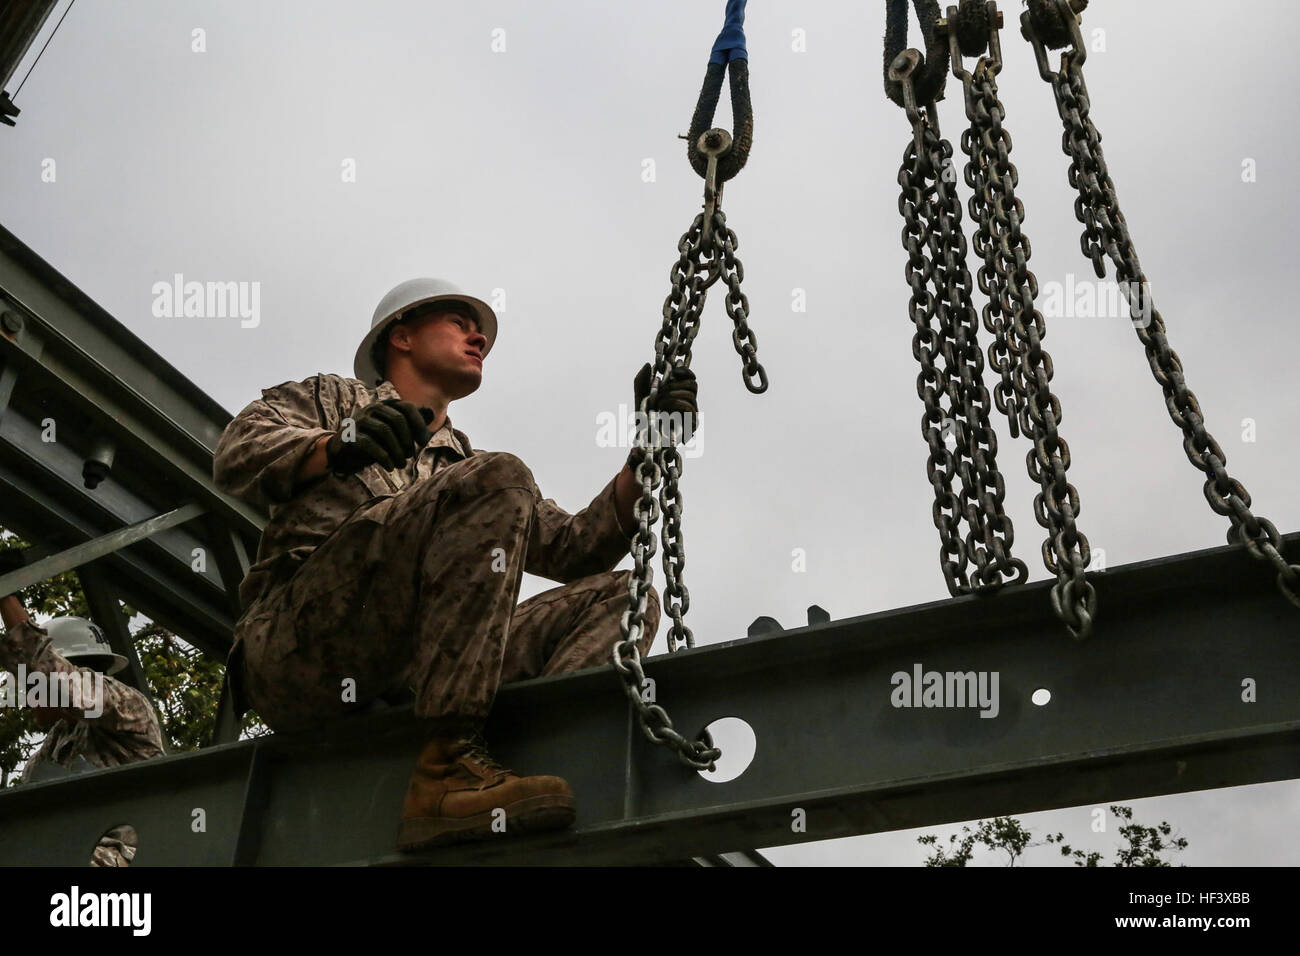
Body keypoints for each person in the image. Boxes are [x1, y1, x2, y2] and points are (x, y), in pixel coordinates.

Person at [212, 277, 699, 851]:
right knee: (500, 474)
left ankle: (519, 777)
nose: (479, 339)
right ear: (402, 336)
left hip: (409, 678)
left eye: (483, 333)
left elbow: (576, 550)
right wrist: (340, 444)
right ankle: (446, 772)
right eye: (459, 323)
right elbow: (236, 453)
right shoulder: (333, 400)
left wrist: (649, 448)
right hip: (301, 650)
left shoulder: (465, 468)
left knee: (617, 598)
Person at [0, 579, 165, 865]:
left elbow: (51, 678)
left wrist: (4, 598)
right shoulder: (55, 745)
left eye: (29, 685)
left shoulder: (122, 703)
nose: (27, 697)